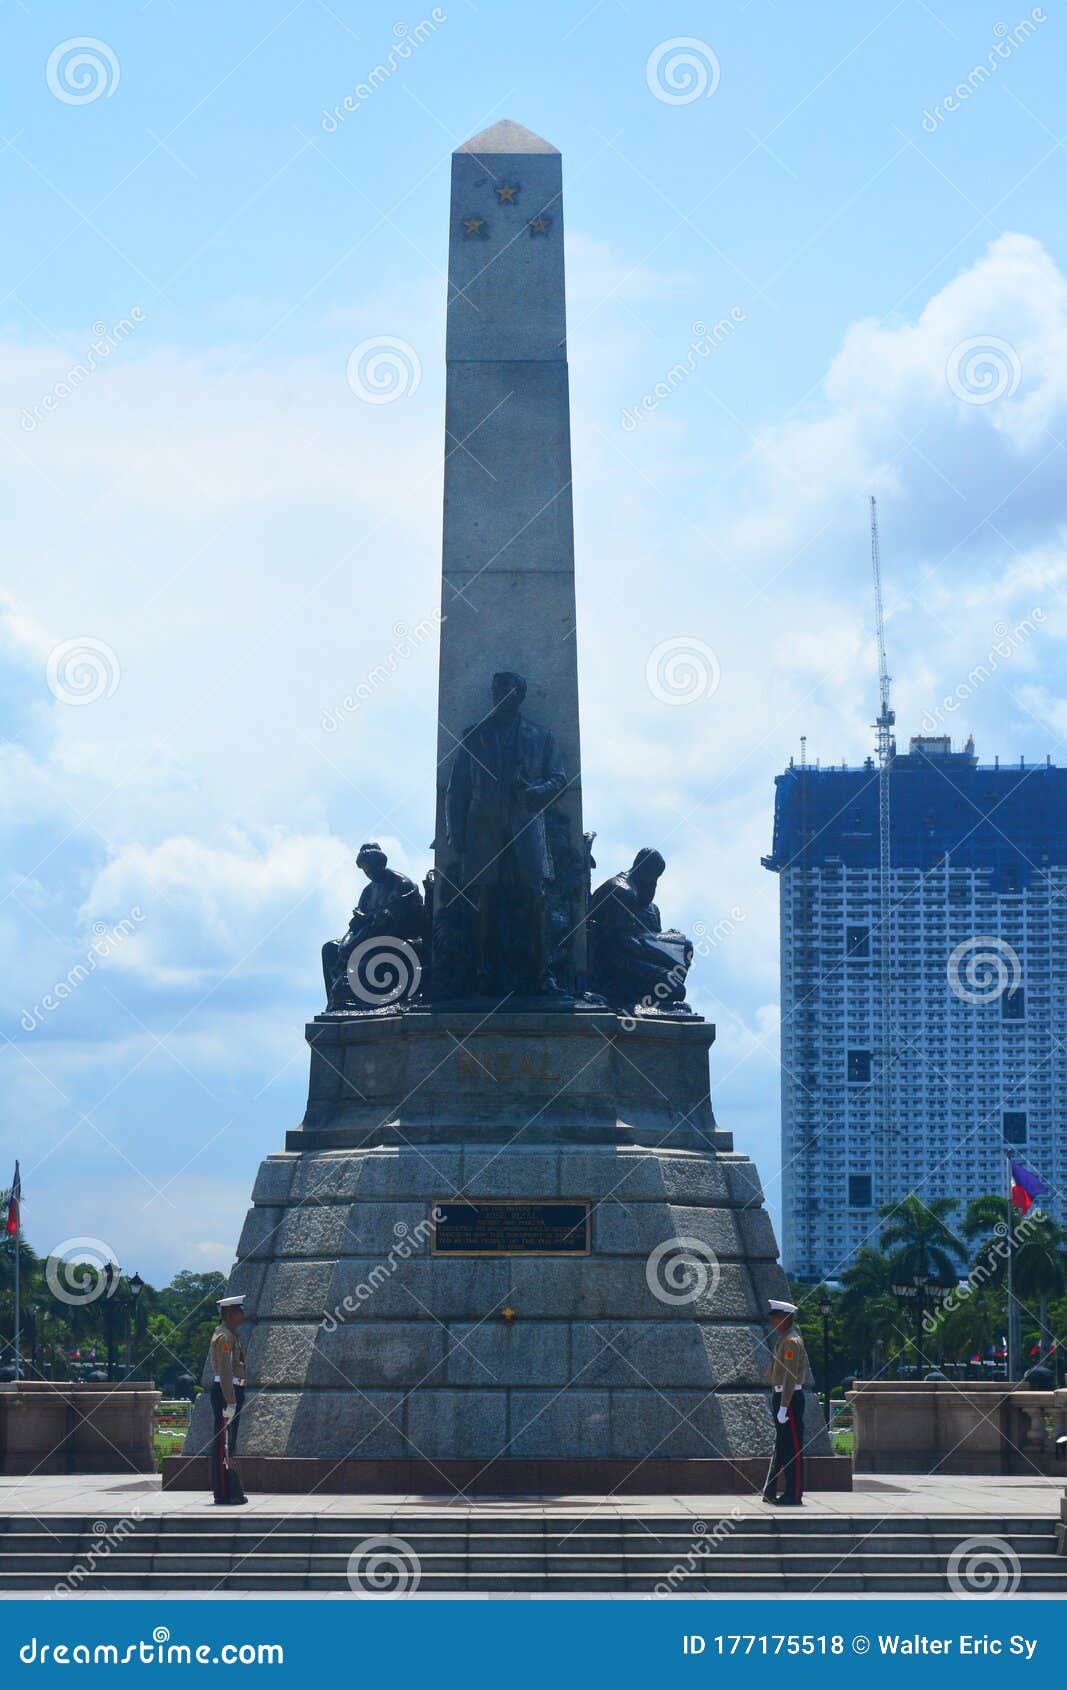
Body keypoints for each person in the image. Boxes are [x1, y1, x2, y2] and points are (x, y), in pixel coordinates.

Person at [443, 671, 567, 996]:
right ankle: (483, 974)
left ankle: (543, 975)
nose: (500, 698)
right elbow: (457, 789)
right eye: (496, 692)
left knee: (536, 899)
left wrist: (534, 792)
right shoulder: (474, 737)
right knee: (484, 901)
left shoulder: (541, 738)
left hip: (526, 826)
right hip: (483, 830)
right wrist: (456, 834)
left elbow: (558, 779)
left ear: (519, 697)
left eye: (507, 693)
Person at [587, 848, 693, 1012]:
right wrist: (661, 950)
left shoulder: (648, 904)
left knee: (685, 946)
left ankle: (651, 998)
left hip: (635, 956)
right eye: (653, 876)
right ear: (644, 871)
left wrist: (671, 940)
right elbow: (623, 943)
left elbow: (649, 934)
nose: (654, 883)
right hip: (616, 963)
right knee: (676, 989)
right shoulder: (621, 891)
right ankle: (630, 998)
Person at [321, 842, 424, 1010]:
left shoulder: (402, 884)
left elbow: (393, 922)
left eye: (372, 870)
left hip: (397, 939)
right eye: (365, 871)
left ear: (381, 864)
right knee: (330, 948)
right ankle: (335, 1005)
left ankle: (348, 996)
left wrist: (366, 923)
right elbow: (356, 923)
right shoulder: (368, 891)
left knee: (361, 965)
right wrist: (346, 945)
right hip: (367, 937)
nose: (369, 875)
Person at [763, 1298, 806, 1506]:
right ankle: (771, 1489)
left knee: (792, 1449)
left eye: (777, 1317)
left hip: (788, 1399)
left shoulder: (790, 1341)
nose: (773, 1322)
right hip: (782, 1396)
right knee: (782, 1446)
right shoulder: (785, 1338)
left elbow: (789, 1376)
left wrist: (783, 1406)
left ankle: (794, 1494)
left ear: (786, 1318)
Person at [209, 1294, 248, 1506]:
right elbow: (225, 1370)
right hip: (227, 1391)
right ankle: (224, 1491)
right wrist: (231, 1401)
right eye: (240, 1311)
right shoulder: (224, 1337)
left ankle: (226, 1489)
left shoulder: (229, 1334)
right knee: (223, 1443)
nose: (243, 1314)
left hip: (231, 1389)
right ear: (231, 1314)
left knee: (227, 1442)